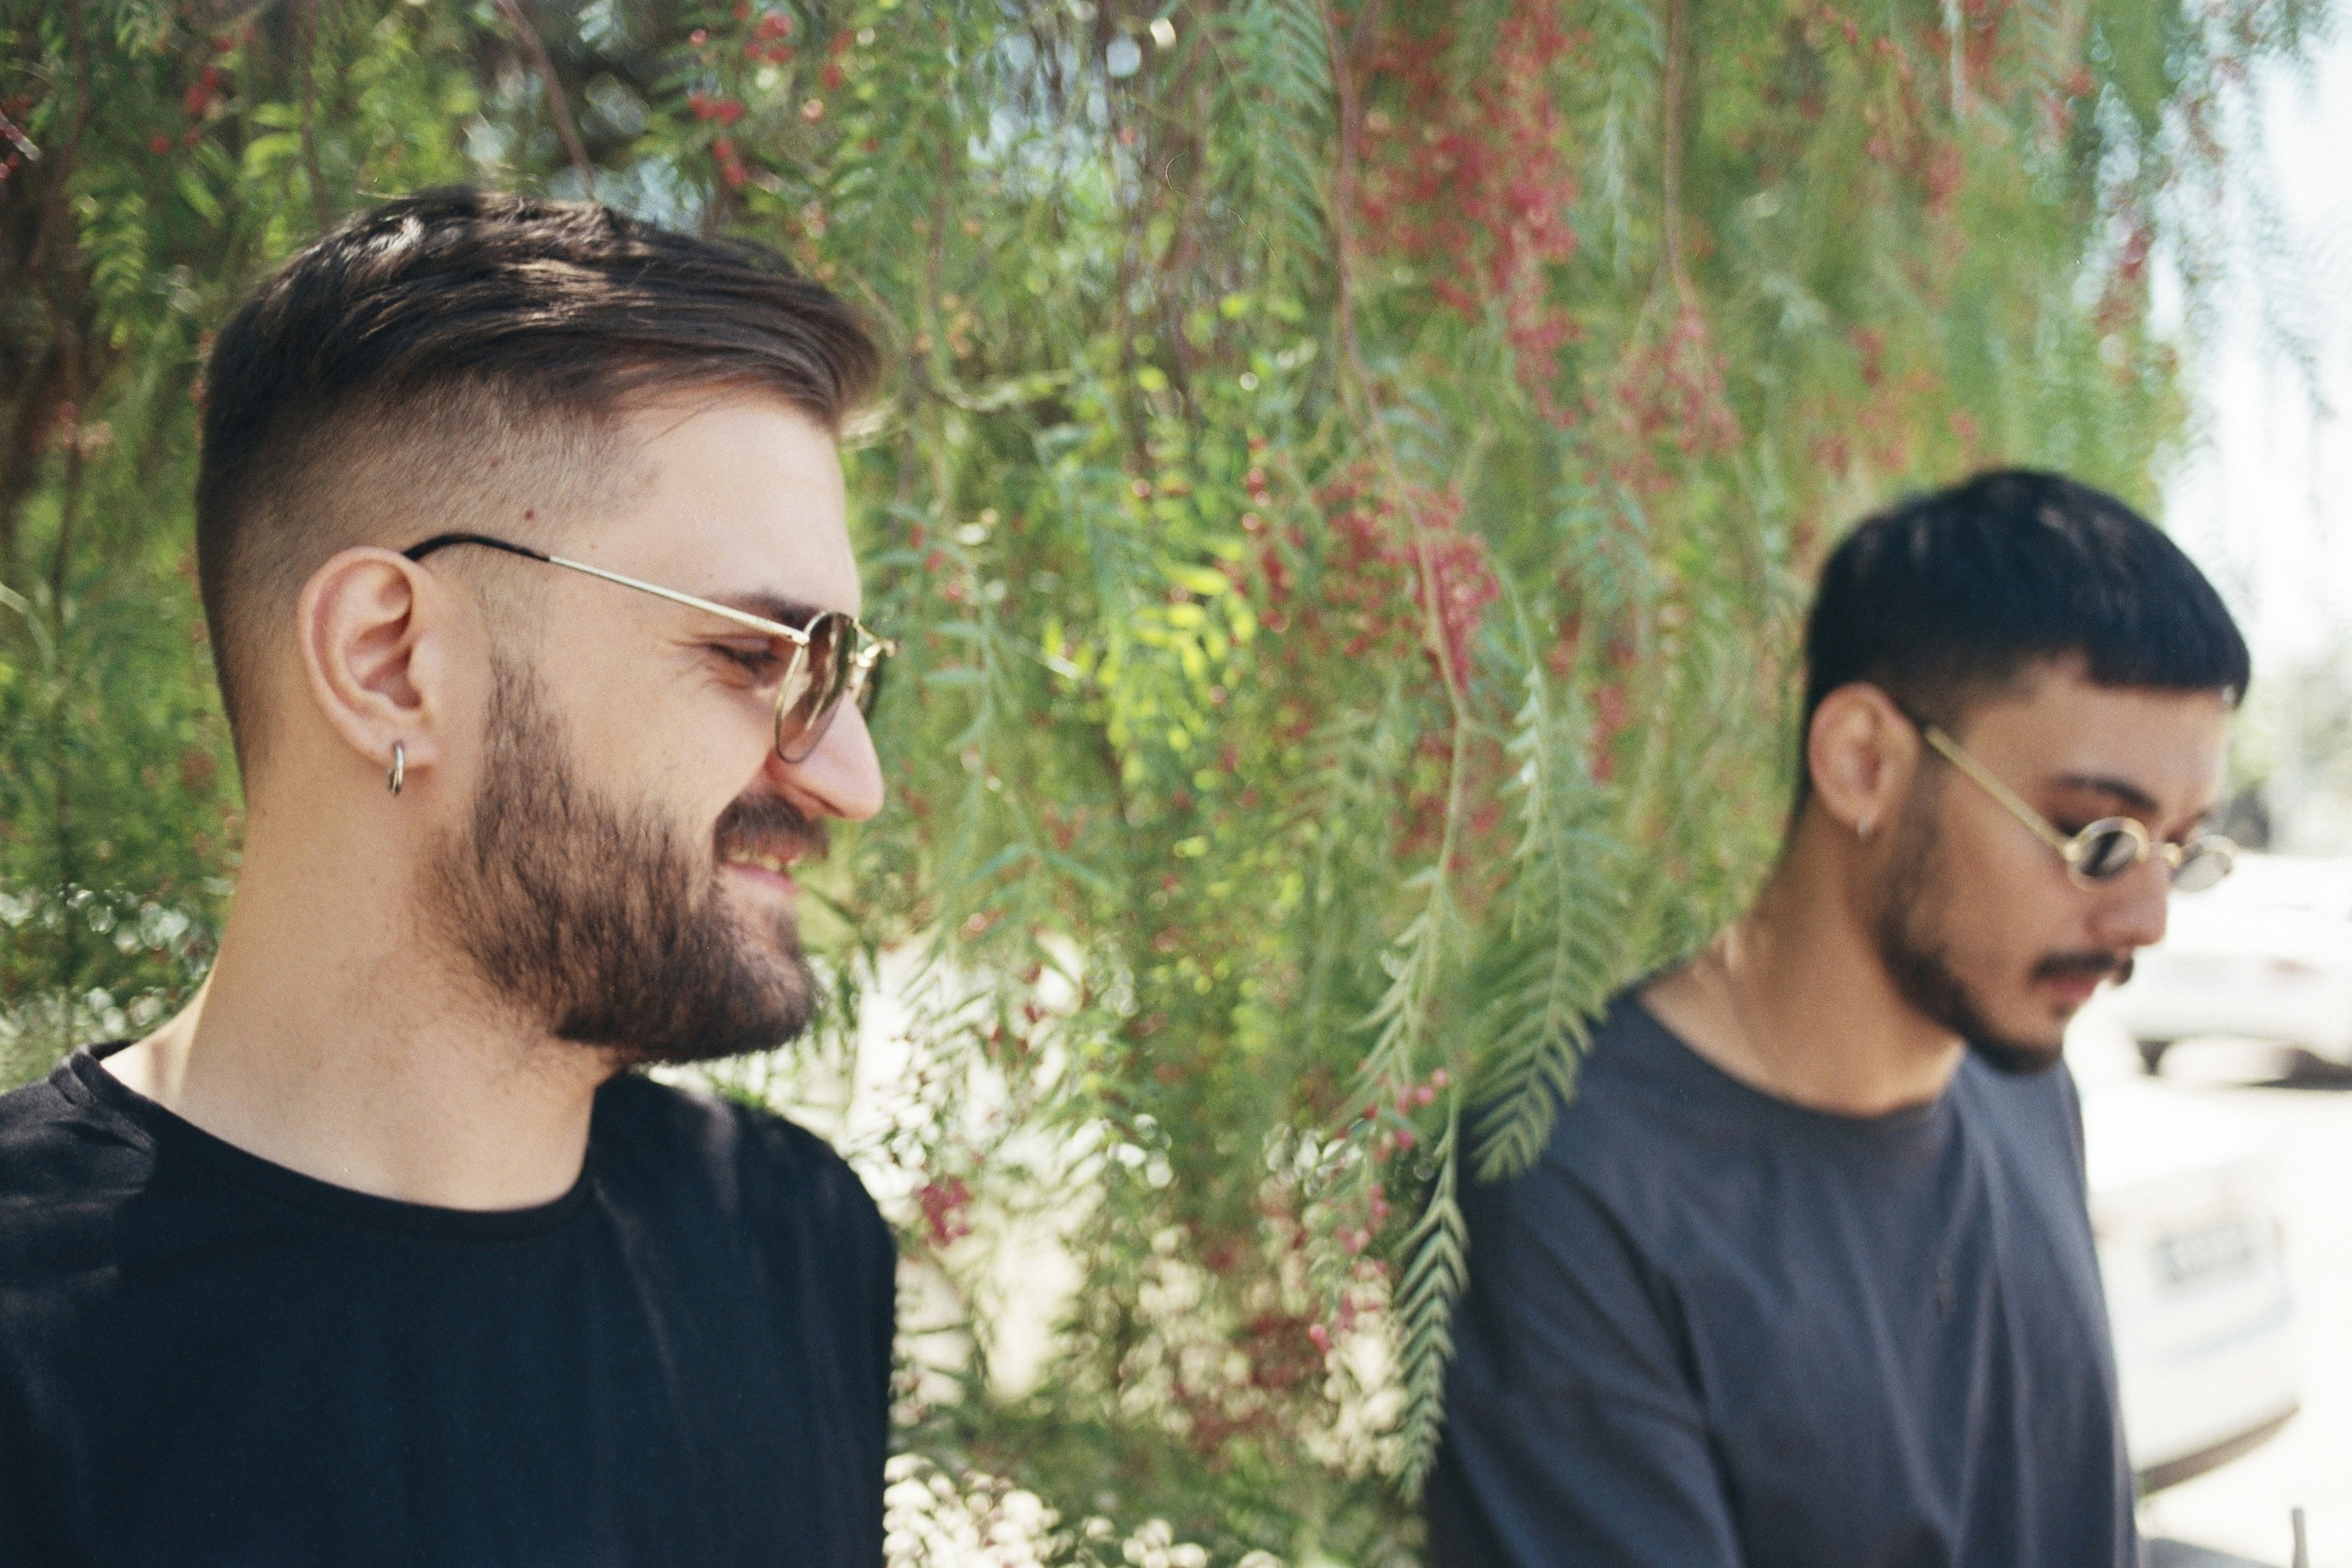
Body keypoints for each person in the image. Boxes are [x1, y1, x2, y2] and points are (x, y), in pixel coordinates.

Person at [0, 191, 900, 1566]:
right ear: (391, 663)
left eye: (847, 674)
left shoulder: (793, 1245)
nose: (853, 779)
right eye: (756, 659)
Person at [1426, 470, 2250, 1567]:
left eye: (2180, 851)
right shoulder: (1573, 1184)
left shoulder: (2026, 1087)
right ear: (1865, 761)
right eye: (2096, 837)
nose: (2145, 917)